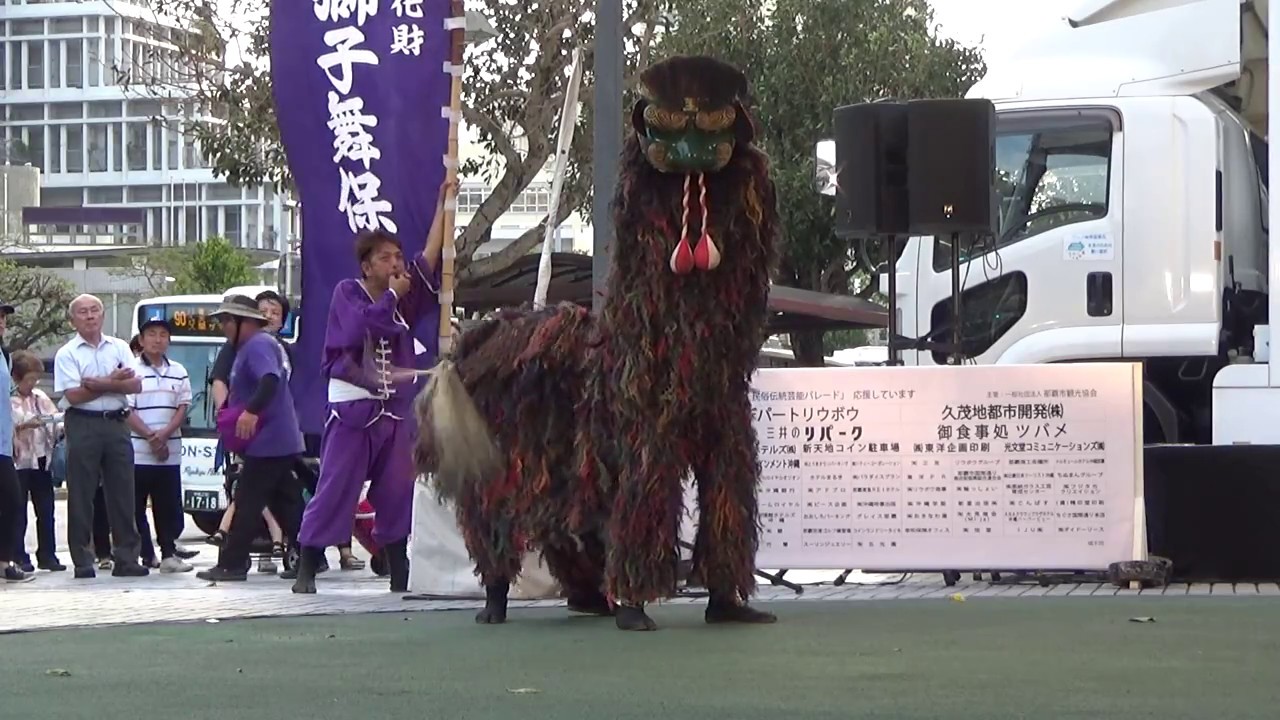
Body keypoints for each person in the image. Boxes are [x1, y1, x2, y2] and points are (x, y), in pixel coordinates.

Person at [292, 180, 450, 594]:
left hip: (393, 413)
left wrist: (443, 206)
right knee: (337, 487)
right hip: (353, 411)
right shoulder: (349, 293)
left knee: (397, 491)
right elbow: (365, 327)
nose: (396, 265)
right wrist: (392, 299)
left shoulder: (403, 294)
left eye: (397, 257)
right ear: (367, 267)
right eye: (385, 259)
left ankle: (399, 571)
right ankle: (307, 564)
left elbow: (429, 259)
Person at [196, 295, 304, 582]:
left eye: (228, 321)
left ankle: (232, 563)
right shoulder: (256, 346)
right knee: (287, 501)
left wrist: (251, 412)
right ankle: (310, 557)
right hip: (276, 438)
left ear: (245, 322)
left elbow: (270, 380)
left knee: (247, 500)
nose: (224, 327)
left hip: (268, 440)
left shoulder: (257, 346)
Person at [54, 294, 149, 579]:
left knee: (123, 492)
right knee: (81, 493)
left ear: (103, 314)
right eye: (83, 312)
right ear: (73, 320)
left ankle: (127, 558)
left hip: (117, 423)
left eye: (95, 310)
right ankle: (83, 559)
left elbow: (134, 385)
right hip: (82, 423)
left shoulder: (119, 346)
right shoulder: (67, 353)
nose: (90, 316)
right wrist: (114, 382)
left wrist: (101, 382)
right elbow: (74, 395)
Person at [124, 317, 194, 574]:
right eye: (151, 334)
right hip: (138, 453)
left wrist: (164, 435)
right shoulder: (129, 371)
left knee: (168, 506)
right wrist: (151, 437)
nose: (157, 339)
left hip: (169, 453)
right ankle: (146, 554)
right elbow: (126, 410)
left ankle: (168, 554)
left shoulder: (178, 370)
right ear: (141, 340)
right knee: (136, 507)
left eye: (163, 334)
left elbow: (183, 407)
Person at [9, 350, 65, 572]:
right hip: (19, 462)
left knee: (46, 510)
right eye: (29, 379)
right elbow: (11, 423)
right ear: (17, 378)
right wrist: (24, 425)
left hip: (42, 460)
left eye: (35, 379)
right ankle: (19, 554)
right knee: (18, 510)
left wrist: (58, 424)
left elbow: (54, 417)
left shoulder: (41, 397)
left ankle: (48, 555)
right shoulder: (9, 398)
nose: (33, 383)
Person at [0, 301, 34, 583]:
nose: (1, 322)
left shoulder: (5, 355)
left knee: (12, 502)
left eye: (3, 318)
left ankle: (4, 561)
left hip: (1, 443)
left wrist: (12, 434)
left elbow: (5, 402)